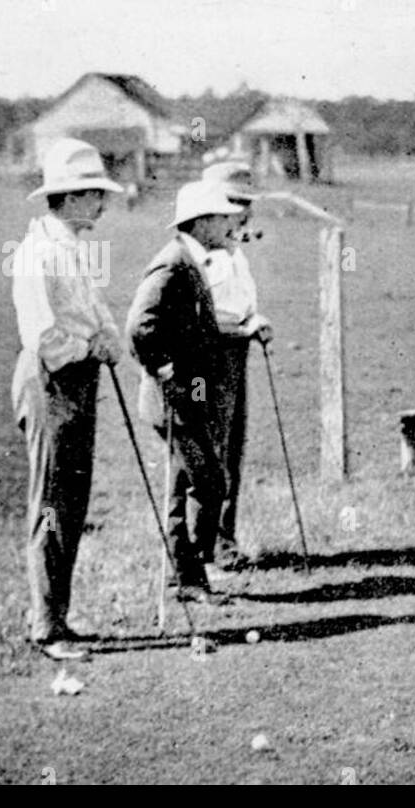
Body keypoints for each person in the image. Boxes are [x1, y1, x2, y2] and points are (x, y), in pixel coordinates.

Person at [10, 138, 124, 660]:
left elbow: (94, 311)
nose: (102, 202)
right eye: (95, 193)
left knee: (72, 501)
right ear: (72, 197)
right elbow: (45, 338)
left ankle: (58, 615)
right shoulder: (36, 254)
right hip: (50, 381)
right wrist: (89, 346)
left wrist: (107, 337)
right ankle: (46, 626)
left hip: (80, 379)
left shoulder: (72, 249)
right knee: (53, 503)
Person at [126, 181, 244, 603]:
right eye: (221, 217)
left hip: (189, 398)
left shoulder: (193, 260)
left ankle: (188, 577)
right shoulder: (173, 265)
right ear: (201, 222)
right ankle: (188, 577)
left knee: (191, 483)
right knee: (209, 482)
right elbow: (140, 327)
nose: (229, 223)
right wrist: (166, 371)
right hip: (172, 400)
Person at [200, 162, 273, 570]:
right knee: (213, 451)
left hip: (235, 354)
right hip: (212, 358)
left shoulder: (234, 249)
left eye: (247, 204)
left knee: (232, 449)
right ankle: (208, 548)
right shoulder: (205, 254)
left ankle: (224, 540)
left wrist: (252, 323)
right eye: (235, 203)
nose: (244, 213)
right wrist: (244, 325)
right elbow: (209, 312)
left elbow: (240, 302)